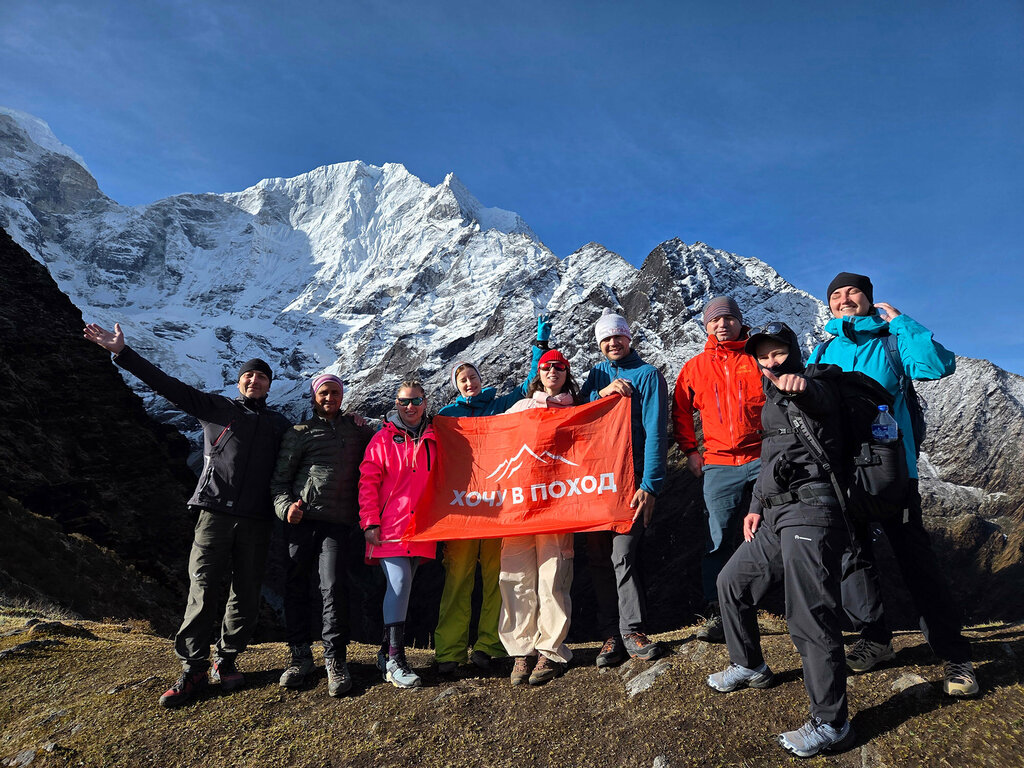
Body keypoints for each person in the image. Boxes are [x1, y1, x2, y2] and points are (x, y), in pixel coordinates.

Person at [83, 322, 291, 708]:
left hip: (258, 519)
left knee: (244, 593)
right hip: (213, 512)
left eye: (261, 376)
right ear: (239, 380)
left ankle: (225, 660)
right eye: (249, 374)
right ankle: (193, 667)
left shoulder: (280, 424)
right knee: (203, 588)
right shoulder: (216, 408)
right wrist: (122, 353)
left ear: (269, 384)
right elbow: (168, 386)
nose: (254, 380)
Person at [814, 271, 976, 696]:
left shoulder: (891, 340)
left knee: (916, 561)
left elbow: (937, 365)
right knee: (854, 560)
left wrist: (902, 322)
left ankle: (955, 655)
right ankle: (875, 640)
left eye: (853, 292)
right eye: (836, 294)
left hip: (893, 471)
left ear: (870, 299)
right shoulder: (825, 349)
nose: (844, 299)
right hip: (845, 475)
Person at [709, 322, 855, 759]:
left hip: (813, 509)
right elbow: (770, 456)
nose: (772, 362)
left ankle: (832, 723)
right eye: (764, 356)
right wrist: (755, 504)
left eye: (779, 353)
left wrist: (802, 387)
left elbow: (822, 400)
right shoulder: (771, 400)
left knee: (808, 612)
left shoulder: (819, 381)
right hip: (774, 513)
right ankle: (750, 664)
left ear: (794, 351)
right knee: (731, 582)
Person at [432, 317, 548, 674]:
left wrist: (539, 347)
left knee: (497, 578)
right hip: (462, 509)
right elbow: (417, 429)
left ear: (482, 380)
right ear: (456, 386)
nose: (469, 382)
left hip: (497, 506)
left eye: (473, 376)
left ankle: (489, 646)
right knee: (458, 579)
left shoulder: (499, 405)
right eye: (462, 379)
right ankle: (449, 652)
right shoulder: (445, 417)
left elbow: (530, 387)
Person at [270, 373, 373, 696]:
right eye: (324, 393)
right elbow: (279, 483)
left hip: (338, 523)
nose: (330, 398)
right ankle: (299, 655)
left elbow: (385, 441)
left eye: (336, 393)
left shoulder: (356, 431)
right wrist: (286, 507)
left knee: (333, 588)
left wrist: (365, 422)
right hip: (301, 522)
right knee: (296, 587)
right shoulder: (298, 434)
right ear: (314, 397)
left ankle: (334, 659)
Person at [672, 296, 765, 642]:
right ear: (706, 327)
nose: (722, 324)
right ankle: (719, 610)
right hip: (719, 464)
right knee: (718, 537)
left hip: (762, 459)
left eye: (728, 318)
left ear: (740, 322)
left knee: (774, 532)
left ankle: (771, 602)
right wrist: (690, 451)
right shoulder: (695, 367)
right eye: (714, 320)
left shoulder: (758, 358)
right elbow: (681, 412)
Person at [579, 308, 667, 666]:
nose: (613, 343)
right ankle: (610, 634)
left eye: (618, 336)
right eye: (606, 338)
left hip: (631, 479)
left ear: (629, 338)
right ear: (600, 344)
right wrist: (602, 392)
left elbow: (656, 431)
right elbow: (573, 413)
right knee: (599, 558)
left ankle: (631, 629)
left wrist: (651, 484)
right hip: (596, 480)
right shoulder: (596, 374)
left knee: (623, 555)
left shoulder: (648, 375)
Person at [499, 349, 579, 686]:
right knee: (515, 576)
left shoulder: (579, 409)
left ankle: (551, 648)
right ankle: (521, 650)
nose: (552, 373)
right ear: (539, 372)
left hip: (558, 506)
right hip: (519, 505)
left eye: (559, 368)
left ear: (566, 373)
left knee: (553, 577)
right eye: (546, 367)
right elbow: (496, 439)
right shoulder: (520, 408)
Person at [358, 380, 438, 689]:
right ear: (396, 403)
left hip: (423, 527)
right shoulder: (382, 439)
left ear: (425, 402)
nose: (410, 407)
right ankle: (395, 659)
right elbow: (368, 482)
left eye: (415, 401)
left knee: (404, 590)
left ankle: (384, 652)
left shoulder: (435, 437)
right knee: (400, 583)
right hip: (390, 527)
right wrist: (369, 522)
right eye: (404, 402)